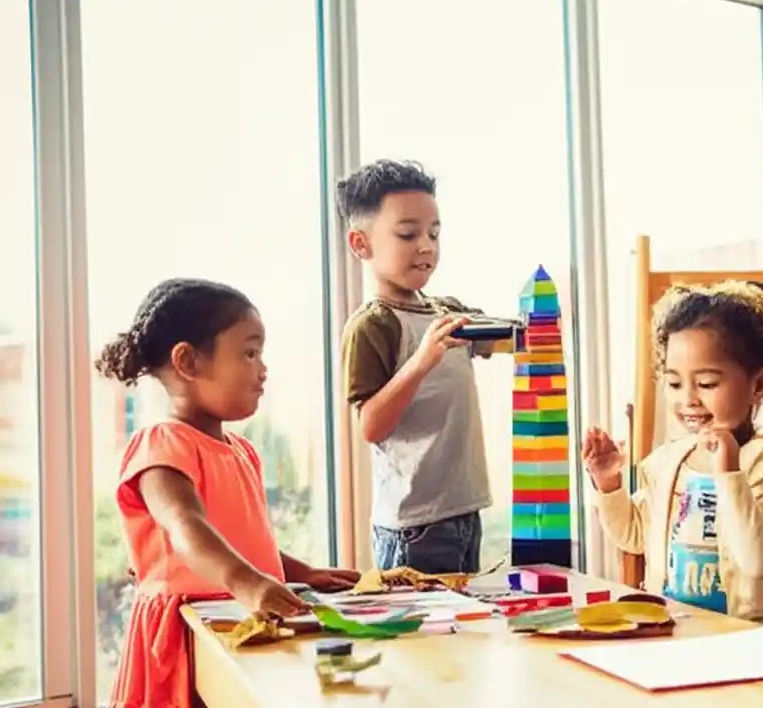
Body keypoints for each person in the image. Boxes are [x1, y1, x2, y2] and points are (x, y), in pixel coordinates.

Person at [97, 277, 360, 708]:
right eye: (249, 353)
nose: (263, 368)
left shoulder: (241, 451)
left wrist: (301, 572)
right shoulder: (162, 445)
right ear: (188, 361)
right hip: (185, 635)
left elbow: (241, 544)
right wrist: (247, 583)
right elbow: (186, 528)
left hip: (239, 623)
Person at [582, 281, 763, 638]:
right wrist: (608, 483)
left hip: (762, 640)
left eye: (706, 383)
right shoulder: (670, 460)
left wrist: (729, 473)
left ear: (759, 384)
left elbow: (756, 561)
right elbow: (634, 536)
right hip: (686, 636)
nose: (688, 399)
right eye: (675, 384)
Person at [337, 159, 498, 575]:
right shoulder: (372, 325)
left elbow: (510, 339)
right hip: (414, 526)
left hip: (465, 510)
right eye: (408, 234)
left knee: (462, 632)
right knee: (423, 637)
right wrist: (421, 360)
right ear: (361, 244)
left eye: (434, 233)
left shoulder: (448, 312)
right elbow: (370, 426)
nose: (426, 245)